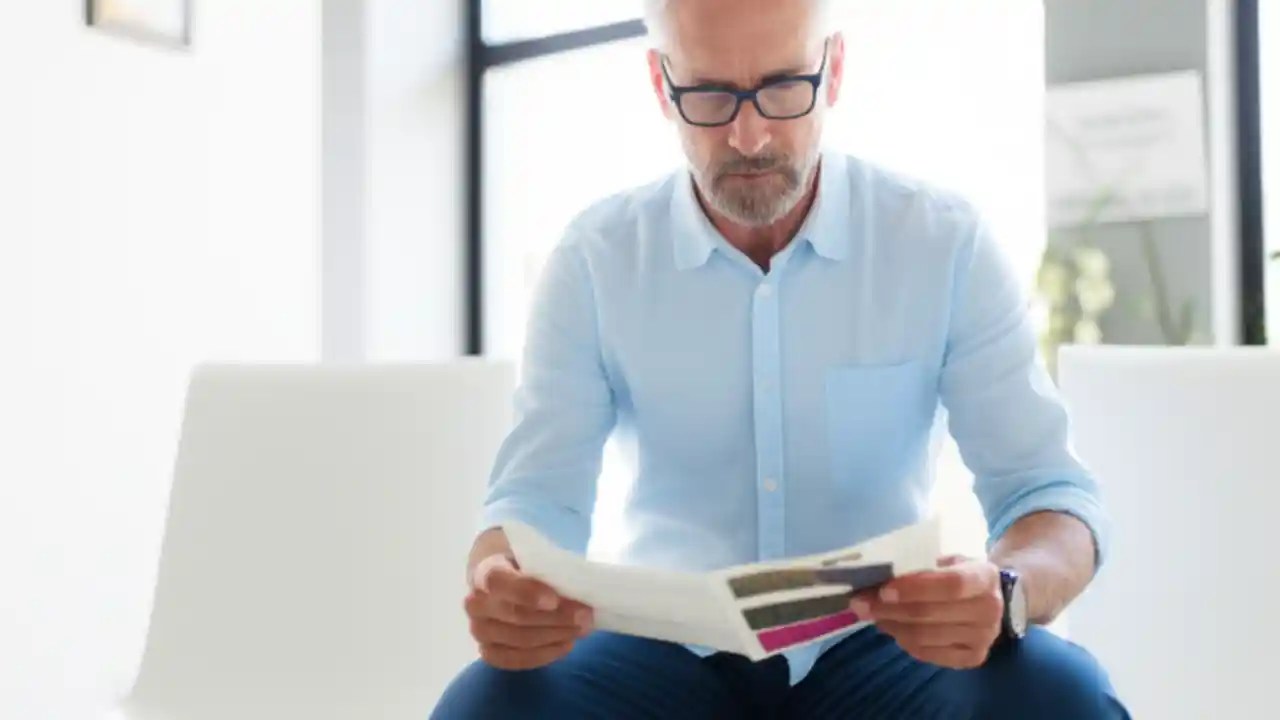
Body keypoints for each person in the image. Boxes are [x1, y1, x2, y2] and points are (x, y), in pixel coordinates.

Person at [434, 0, 1130, 717]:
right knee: (485, 705)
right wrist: (503, 581)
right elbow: (533, 505)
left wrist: (1004, 593)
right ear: (659, 84)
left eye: (782, 87)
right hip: (663, 654)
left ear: (833, 71)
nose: (749, 134)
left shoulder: (940, 244)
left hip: (882, 644)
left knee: (1060, 693)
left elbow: (1051, 498)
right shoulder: (595, 261)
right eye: (708, 95)